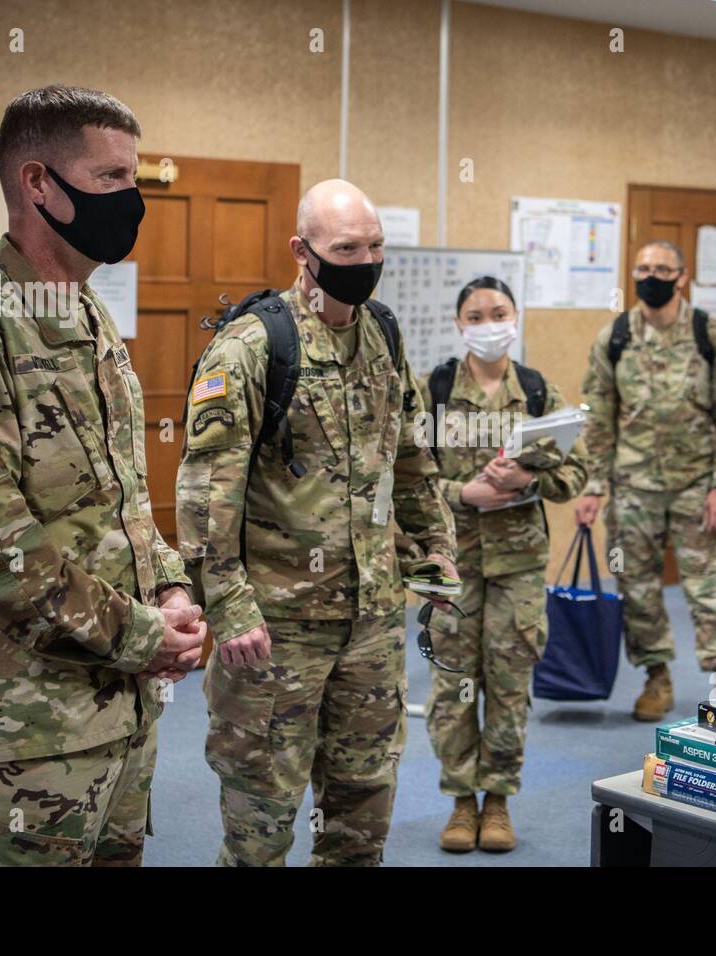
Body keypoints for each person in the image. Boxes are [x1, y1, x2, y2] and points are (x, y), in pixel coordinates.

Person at [0, 85, 206, 866]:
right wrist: (142, 634)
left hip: (122, 711)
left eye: (135, 179)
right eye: (110, 180)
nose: (132, 200)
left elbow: (123, 498)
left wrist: (169, 584)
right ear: (38, 183)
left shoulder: (87, 316)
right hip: (22, 727)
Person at [176, 178, 457, 866]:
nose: (364, 260)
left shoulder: (383, 334)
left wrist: (435, 550)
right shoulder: (251, 345)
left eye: (375, 246)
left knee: (361, 811)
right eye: (347, 247)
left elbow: (411, 455)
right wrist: (230, 606)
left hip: (371, 621)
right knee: (261, 818)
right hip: (277, 631)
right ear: (303, 251)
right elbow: (204, 493)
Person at [419, 276, 588, 853]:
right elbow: (401, 481)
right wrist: (462, 494)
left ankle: (498, 802)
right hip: (443, 559)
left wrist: (529, 479)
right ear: (459, 324)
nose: (489, 323)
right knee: (452, 683)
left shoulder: (541, 394)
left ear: (515, 318)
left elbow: (577, 475)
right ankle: (460, 801)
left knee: (510, 682)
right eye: (475, 314)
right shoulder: (432, 392)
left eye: (499, 312)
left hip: (519, 563)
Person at [574, 240, 716, 721]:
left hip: (698, 485)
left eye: (661, 268)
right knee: (639, 591)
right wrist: (593, 486)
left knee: (706, 587)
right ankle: (657, 678)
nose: (651, 276)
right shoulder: (614, 336)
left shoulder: (708, 333)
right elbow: (598, 418)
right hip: (633, 487)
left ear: (682, 275)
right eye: (642, 268)